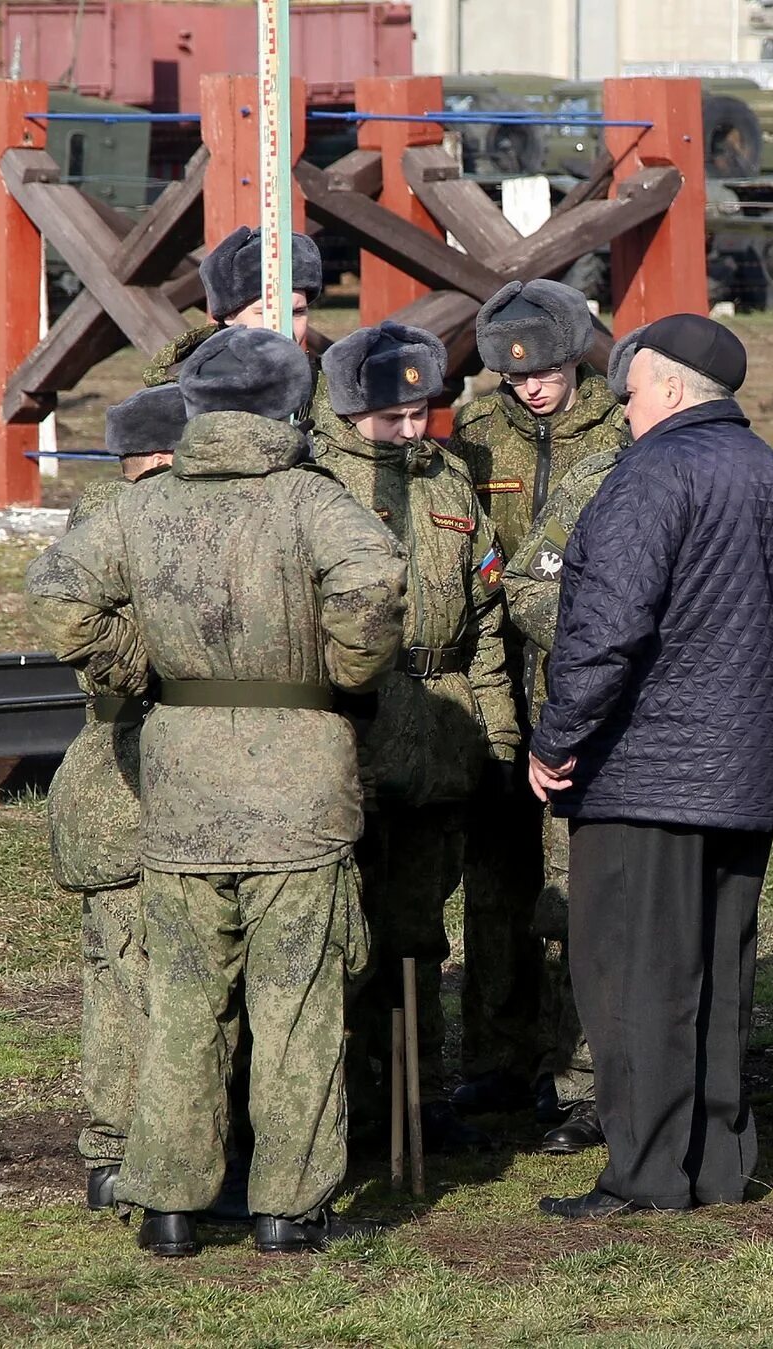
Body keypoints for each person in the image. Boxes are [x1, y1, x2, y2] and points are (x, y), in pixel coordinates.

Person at [27, 326, 406, 1257]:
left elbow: (59, 596)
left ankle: (166, 1202)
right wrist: (341, 675)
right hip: (300, 788)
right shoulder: (312, 500)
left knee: (186, 1001)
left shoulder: (140, 507)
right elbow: (375, 582)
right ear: (290, 407)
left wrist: (142, 668)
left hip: (181, 780)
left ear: (192, 409)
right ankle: (287, 1205)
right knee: (299, 999)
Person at [526, 314, 773, 1219]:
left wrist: (557, 736)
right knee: (720, 974)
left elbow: (604, 627)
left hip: (647, 773)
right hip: (742, 772)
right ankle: (718, 1163)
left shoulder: (648, 475)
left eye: (633, 388)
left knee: (633, 977)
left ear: (675, 388)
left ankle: (646, 1174)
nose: (623, 405)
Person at [315, 319, 519, 1155]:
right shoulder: (316, 486)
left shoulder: (447, 485)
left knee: (418, 933)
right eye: (391, 417)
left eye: (421, 414)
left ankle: (417, 1096)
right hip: (346, 739)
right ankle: (341, 1106)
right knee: (342, 937)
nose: (410, 431)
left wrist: (497, 742)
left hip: (440, 730)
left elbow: (488, 621)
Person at [447, 279, 629, 1120]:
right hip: (495, 677)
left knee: (571, 884)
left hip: (578, 679)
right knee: (494, 882)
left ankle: (576, 1064)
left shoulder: (621, 427)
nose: (532, 387)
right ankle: (494, 1053)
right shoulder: (475, 434)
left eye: (546, 371)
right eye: (515, 377)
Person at [500, 328, 644, 1156]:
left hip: (683, 739)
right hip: (588, 724)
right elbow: (526, 584)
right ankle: (580, 1083)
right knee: (576, 905)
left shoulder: (727, 471)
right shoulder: (594, 481)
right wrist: (612, 634)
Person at [46, 385, 184, 1212]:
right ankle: (120, 1146)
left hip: (127, 777)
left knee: (131, 971)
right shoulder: (121, 525)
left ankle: (127, 1147)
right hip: (125, 778)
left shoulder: (101, 519)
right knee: (129, 970)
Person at [142, 226, 325, 385]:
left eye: (297, 312)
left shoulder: (329, 388)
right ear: (230, 315)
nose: (285, 329)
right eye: (266, 313)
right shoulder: (194, 390)